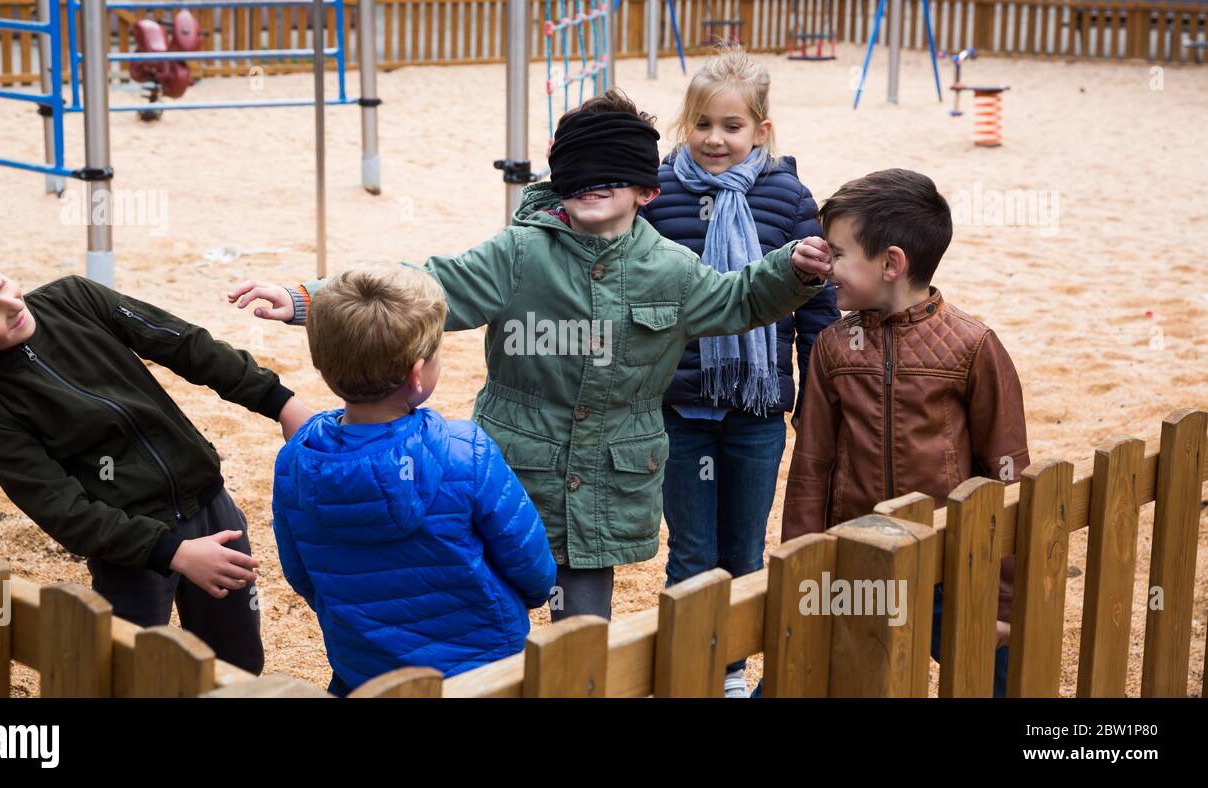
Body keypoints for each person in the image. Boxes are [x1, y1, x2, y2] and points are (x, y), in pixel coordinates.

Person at [231, 89, 832, 624]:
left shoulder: (671, 270)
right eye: (577, 177)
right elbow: (425, 286)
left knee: (582, 632)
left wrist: (791, 270)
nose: (591, 187)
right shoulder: (519, 254)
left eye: (610, 177)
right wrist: (307, 297)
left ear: (648, 190)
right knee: (494, 609)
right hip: (517, 472)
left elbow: (738, 299)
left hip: (609, 482)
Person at [0, 241, 313, 674]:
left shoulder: (75, 298)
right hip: (130, 547)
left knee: (236, 656)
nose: (11, 305)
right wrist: (172, 552)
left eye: (3, 284)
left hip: (208, 500)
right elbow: (63, 511)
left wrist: (279, 402)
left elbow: (184, 345)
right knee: (122, 664)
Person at [780, 169, 1030, 697]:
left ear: (891, 262)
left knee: (989, 673)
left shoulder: (973, 346)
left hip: (951, 562)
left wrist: (1002, 602)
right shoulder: (831, 348)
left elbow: (1007, 473)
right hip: (857, 558)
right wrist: (801, 566)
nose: (828, 267)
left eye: (839, 253)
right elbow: (812, 468)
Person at [639, 47, 839, 697]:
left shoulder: (788, 197)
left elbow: (818, 308)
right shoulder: (659, 193)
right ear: (684, 125)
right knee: (693, 554)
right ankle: (688, 670)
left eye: (732, 126)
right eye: (702, 124)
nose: (715, 139)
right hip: (681, 403)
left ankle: (727, 674)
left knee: (746, 552)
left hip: (756, 409)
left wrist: (815, 395)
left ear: (762, 130)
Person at [272, 264, 556, 695]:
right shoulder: (467, 452)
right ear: (417, 374)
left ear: (322, 362)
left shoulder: (296, 460)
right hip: (481, 669)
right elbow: (531, 566)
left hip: (364, 668)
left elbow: (301, 573)